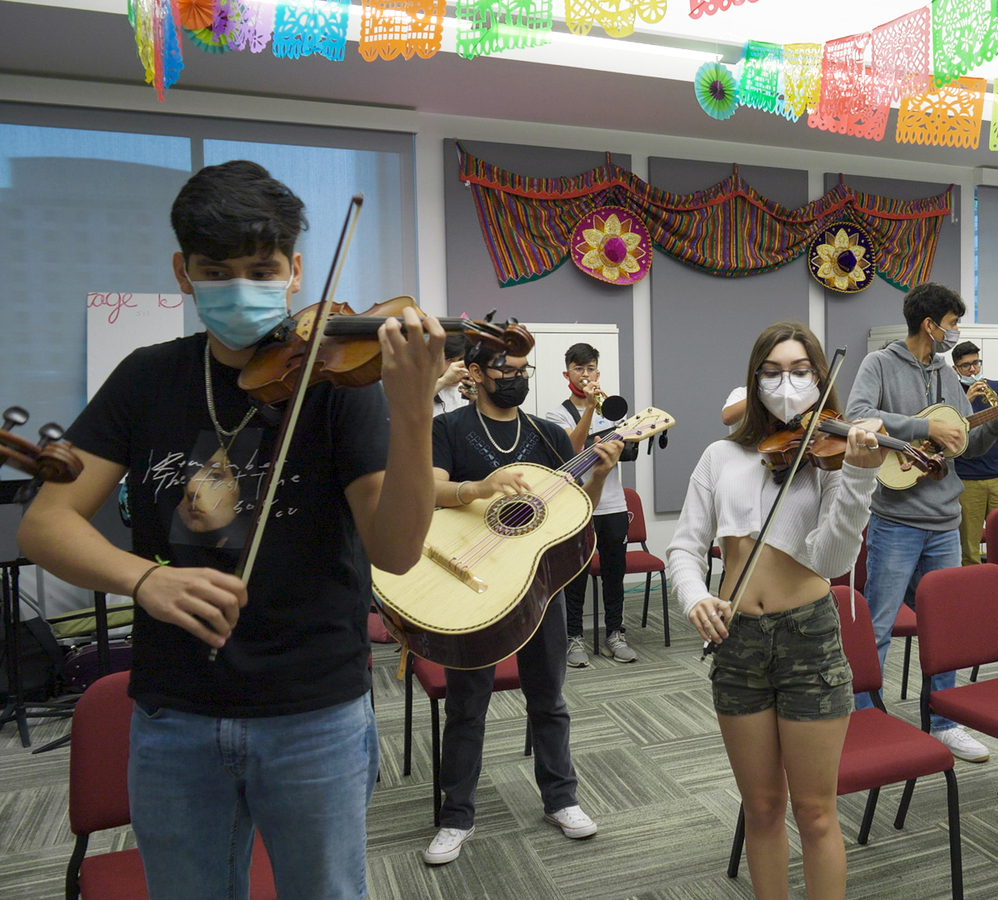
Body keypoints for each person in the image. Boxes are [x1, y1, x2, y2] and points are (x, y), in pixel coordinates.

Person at [16, 160, 444, 900]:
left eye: (261, 269)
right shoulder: (146, 378)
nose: (241, 289)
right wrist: (142, 578)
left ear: (295, 270)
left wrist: (412, 413)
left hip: (315, 713)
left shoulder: (341, 384)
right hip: (174, 712)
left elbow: (398, 551)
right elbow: (46, 524)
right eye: (217, 270)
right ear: (183, 273)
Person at [668, 322, 886, 900]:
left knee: (815, 813)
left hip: (807, 637)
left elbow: (834, 559)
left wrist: (858, 476)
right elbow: (685, 547)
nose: (785, 383)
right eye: (771, 371)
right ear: (754, 378)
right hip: (736, 639)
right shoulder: (721, 456)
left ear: (820, 378)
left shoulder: (831, 458)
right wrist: (694, 596)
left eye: (799, 371)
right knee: (761, 808)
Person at [423, 341, 623, 865]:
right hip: (475, 579)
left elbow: (574, 513)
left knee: (549, 699)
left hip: (539, 584)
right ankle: (455, 816)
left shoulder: (548, 433)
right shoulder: (449, 429)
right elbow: (432, 492)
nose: (515, 377)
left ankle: (562, 799)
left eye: (521, 370)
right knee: (467, 705)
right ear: (475, 372)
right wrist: (481, 487)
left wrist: (599, 473)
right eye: (503, 370)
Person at [845, 283, 998, 763]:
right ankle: (866, 717)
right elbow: (858, 417)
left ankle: (944, 721)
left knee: (945, 628)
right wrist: (925, 427)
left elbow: (963, 444)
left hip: (945, 521)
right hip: (896, 519)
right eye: (952, 322)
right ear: (931, 324)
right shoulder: (879, 365)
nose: (956, 332)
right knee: (879, 622)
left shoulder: (950, 377)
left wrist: (996, 422)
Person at [546, 341, 636, 666]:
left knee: (615, 573)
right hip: (577, 506)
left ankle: (615, 633)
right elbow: (570, 451)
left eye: (590, 368)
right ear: (566, 372)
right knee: (576, 575)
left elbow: (629, 450)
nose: (585, 375)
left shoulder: (614, 408)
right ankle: (574, 638)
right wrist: (589, 410)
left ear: (598, 371)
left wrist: (615, 434)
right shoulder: (556, 413)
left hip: (612, 505)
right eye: (578, 368)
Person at [951, 340, 998, 566]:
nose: (973, 370)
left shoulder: (996, 386)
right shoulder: (952, 393)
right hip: (967, 478)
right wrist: (966, 399)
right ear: (955, 369)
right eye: (966, 365)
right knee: (968, 545)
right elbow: (951, 427)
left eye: (976, 363)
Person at [433, 332, 471, 416]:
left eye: (461, 359)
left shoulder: (472, 388)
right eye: (448, 359)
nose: (454, 366)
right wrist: (444, 381)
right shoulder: (421, 384)